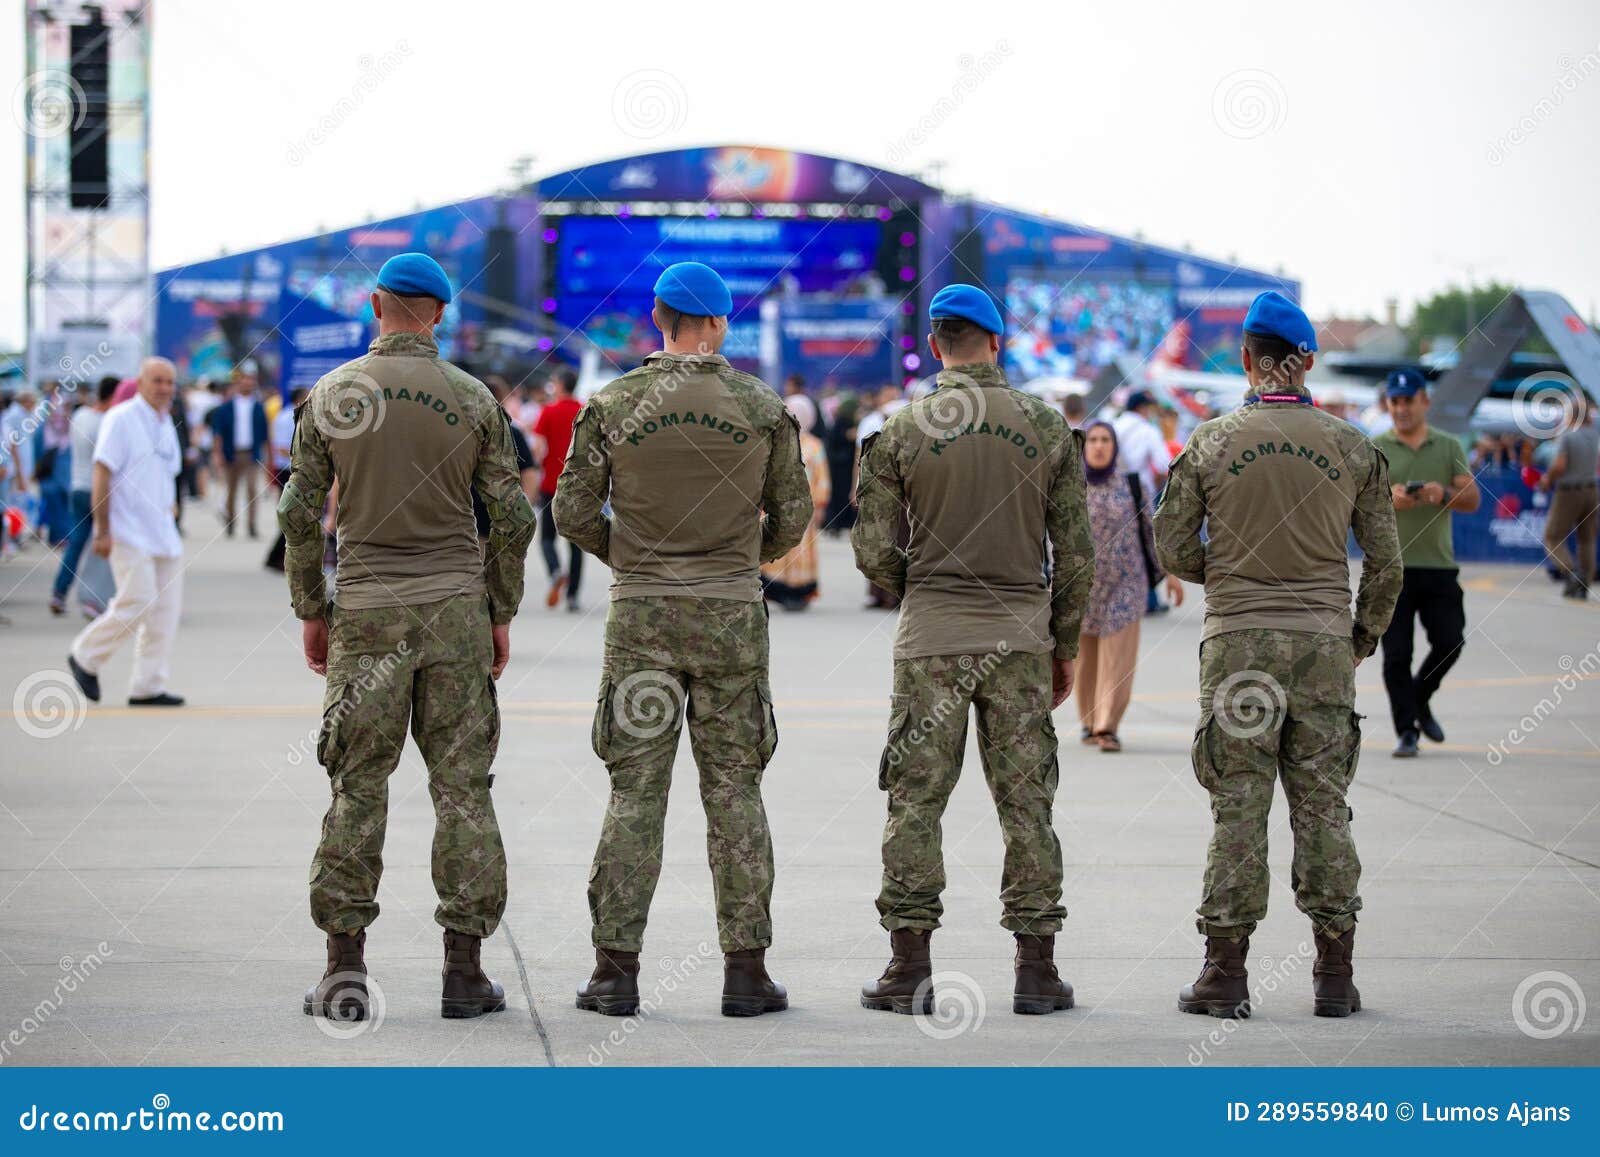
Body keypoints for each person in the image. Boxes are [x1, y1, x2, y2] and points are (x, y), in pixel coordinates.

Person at [277, 253, 536, 1023]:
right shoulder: (472, 397)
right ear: (441, 316)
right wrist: (500, 608)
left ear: (374, 305)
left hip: (365, 612)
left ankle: (344, 973)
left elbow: (298, 513)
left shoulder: (334, 394)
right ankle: (465, 972)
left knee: (358, 787)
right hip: (455, 610)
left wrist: (311, 607)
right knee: (463, 788)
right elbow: (515, 518)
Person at [555, 260, 810, 1018]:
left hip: (642, 619)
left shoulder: (615, 402)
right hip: (731, 617)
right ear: (720, 323)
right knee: (735, 790)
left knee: (635, 793)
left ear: (659, 317)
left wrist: (633, 556)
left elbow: (570, 512)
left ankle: (614, 972)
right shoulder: (761, 407)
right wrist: (733, 559)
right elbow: (793, 518)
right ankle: (745, 971)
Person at [1155, 292, 1400, 1020]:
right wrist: (1358, 636)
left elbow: (1170, 545)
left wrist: (1229, 573)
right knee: (1323, 805)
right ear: (1308, 362)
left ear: (1245, 360)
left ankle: (1225, 974)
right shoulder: (1351, 444)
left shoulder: (1210, 441)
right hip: (1324, 644)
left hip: (1237, 645)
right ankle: (1334, 974)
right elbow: (1386, 565)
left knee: (1239, 807)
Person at [852, 283, 1094, 1017]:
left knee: (915, 801)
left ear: (935, 345)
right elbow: (1076, 552)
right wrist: (1063, 643)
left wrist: (919, 589)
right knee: (1026, 803)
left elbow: (869, 547)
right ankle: (1036, 969)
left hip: (932, 637)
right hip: (1019, 636)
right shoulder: (1046, 425)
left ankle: (909, 966)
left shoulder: (901, 429)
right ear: (996, 343)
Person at [66, 358, 189, 708]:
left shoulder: (166, 421)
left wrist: (171, 509)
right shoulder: (120, 419)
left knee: (165, 614)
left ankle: (147, 686)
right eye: (157, 380)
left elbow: (169, 474)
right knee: (137, 600)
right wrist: (102, 530)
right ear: (140, 382)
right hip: (127, 530)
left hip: (163, 533)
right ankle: (85, 655)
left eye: (169, 381)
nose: (164, 387)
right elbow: (101, 473)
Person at [1373, 368, 1480, 758]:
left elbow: (1472, 500)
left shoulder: (1447, 445)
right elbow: (1354, 500)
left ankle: (1419, 697)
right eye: (1395, 401)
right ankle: (1406, 730)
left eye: (1408, 401)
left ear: (1425, 402)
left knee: (1450, 641)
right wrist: (1389, 498)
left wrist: (1444, 492)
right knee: (1396, 654)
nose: (1401, 409)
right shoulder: (1375, 446)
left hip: (1437, 565)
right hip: (1392, 567)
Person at [1077, 420, 1183, 751]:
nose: (1098, 446)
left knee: (1118, 658)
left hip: (1127, 584)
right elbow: (1054, 538)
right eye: (1092, 440)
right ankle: (1089, 720)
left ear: (1115, 446)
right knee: (1086, 659)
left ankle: (1107, 726)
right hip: (1082, 587)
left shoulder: (1133, 485)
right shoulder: (1070, 486)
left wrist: (1171, 574)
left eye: (1105, 440)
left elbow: (1152, 533)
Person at [50, 377, 118, 614]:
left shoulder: (80, 416)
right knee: (101, 542)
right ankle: (92, 599)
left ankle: (59, 592)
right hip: (98, 490)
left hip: (77, 486)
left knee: (76, 543)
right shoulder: (106, 422)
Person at [760, 396, 831, 610]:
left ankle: (799, 592)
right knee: (777, 546)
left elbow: (822, 477)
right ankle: (778, 591)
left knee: (801, 549)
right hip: (778, 505)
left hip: (805, 508)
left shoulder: (815, 445)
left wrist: (820, 504)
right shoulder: (777, 440)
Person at [532, 367, 585, 611]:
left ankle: (555, 572)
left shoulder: (548, 411)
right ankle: (573, 596)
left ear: (561, 385)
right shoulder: (584, 410)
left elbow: (538, 448)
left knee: (546, 539)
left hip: (550, 485)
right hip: (578, 486)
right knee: (576, 543)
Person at [1537, 392, 1597, 600]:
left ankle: (1571, 574)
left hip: (1569, 491)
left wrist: (1547, 479)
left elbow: (1560, 465)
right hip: (1592, 489)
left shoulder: (1568, 436)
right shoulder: (1595, 434)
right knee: (1587, 539)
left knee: (1552, 536)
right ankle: (1584, 584)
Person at [207, 363, 269, 537]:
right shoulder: (226, 407)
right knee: (231, 490)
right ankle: (231, 523)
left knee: (252, 490)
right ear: (238, 383)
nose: (248, 383)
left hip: (251, 454)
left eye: (251, 380)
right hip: (231, 453)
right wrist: (217, 453)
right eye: (245, 380)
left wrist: (267, 459)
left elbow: (265, 435)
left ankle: (251, 525)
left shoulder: (258, 407)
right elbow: (217, 433)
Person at [263, 388, 309, 572]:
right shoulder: (286, 418)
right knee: (290, 516)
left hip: (293, 469)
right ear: (299, 399)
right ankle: (275, 558)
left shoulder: (297, 416)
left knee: (294, 516)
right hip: (287, 471)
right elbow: (281, 448)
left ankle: (279, 557)